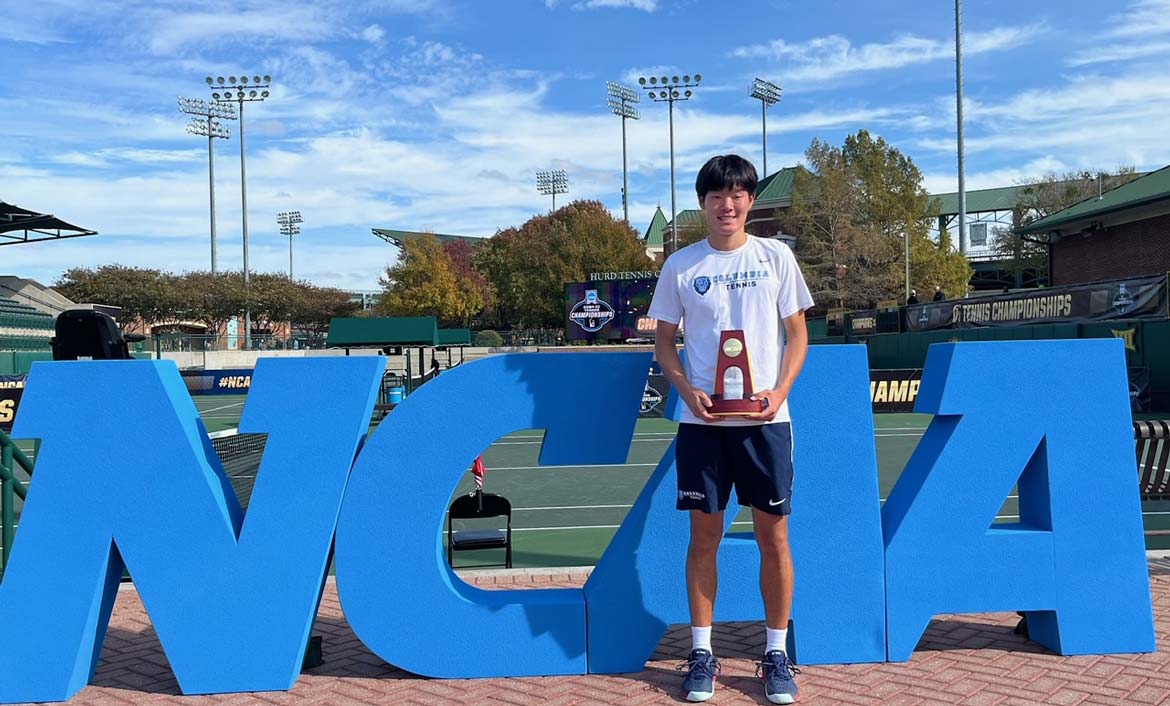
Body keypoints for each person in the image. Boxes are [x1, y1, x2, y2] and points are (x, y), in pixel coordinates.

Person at [648, 154, 812, 705]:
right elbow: (664, 343)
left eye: (737, 194)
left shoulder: (776, 257)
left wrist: (778, 392)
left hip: (765, 424)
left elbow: (798, 336)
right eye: (717, 196)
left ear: (750, 201)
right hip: (704, 425)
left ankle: (775, 654)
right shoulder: (681, 266)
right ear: (703, 203)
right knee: (704, 539)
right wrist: (684, 389)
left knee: (774, 538)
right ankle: (701, 653)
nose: (727, 204)